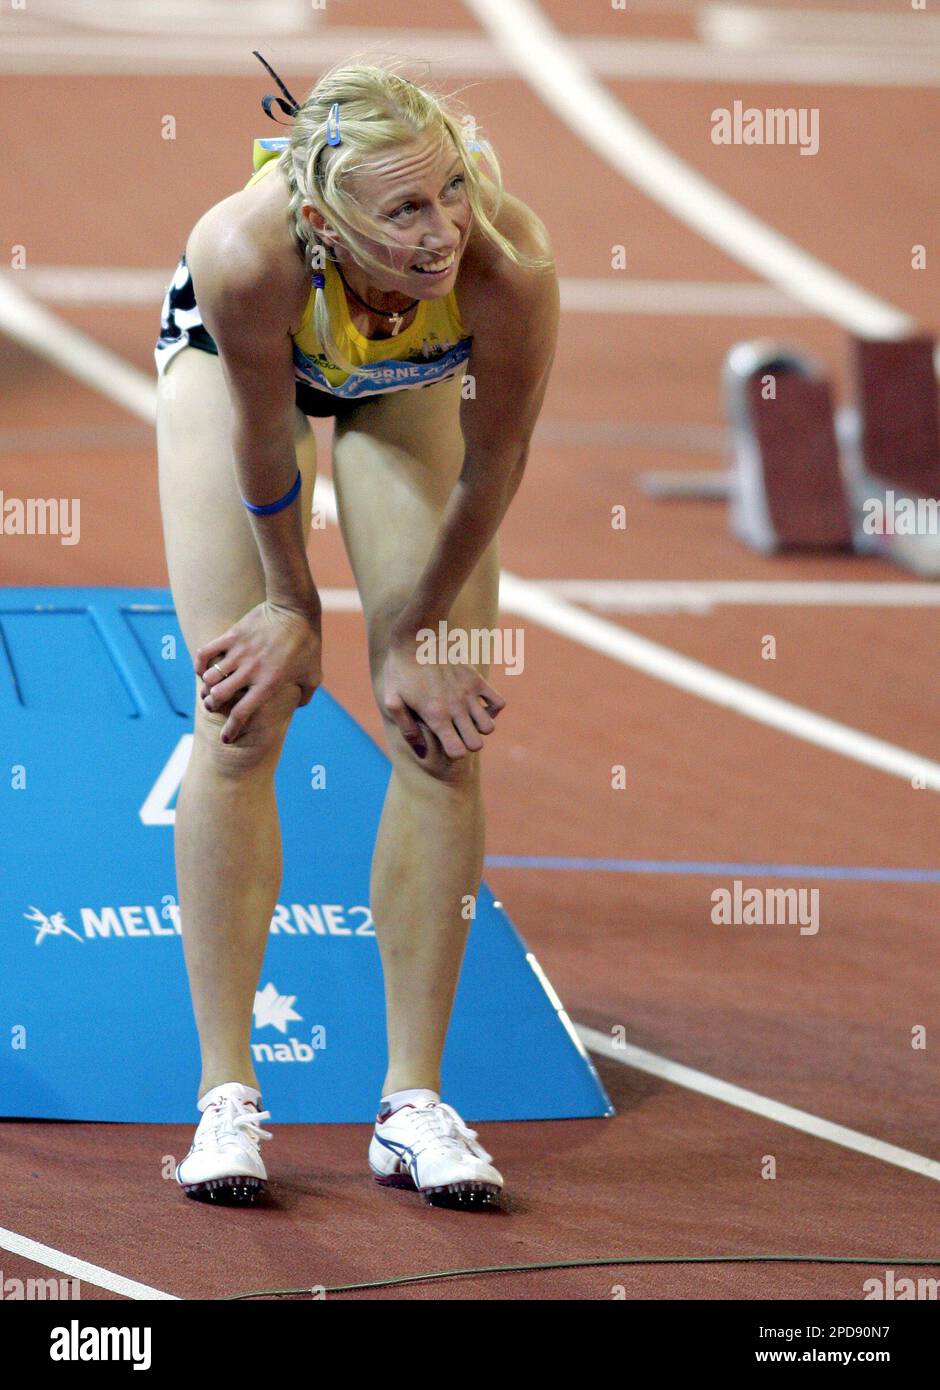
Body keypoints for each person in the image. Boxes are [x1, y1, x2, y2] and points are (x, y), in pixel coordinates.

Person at [155, 55, 559, 1209]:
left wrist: (410, 631)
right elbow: (260, 447)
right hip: (246, 379)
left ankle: (411, 1105)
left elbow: (498, 463)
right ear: (327, 217)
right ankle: (226, 1097)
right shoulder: (244, 253)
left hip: (409, 383)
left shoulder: (505, 260)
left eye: (451, 192)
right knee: (241, 710)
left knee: (440, 721)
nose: (442, 231)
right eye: (405, 210)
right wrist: (293, 607)